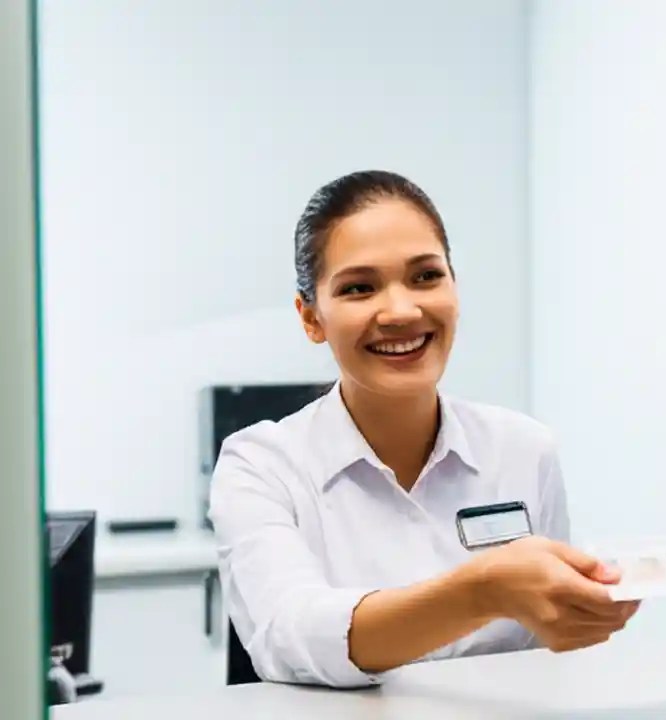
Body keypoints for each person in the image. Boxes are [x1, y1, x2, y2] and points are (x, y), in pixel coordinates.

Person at [209, 170, 637, 687]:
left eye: (425, 276)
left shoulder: (523, 449)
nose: (401, 310)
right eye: (359, 288)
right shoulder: (261, 465)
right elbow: (291, 634)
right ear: (311, 318)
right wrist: (482, 592)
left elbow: (545, 655)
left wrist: (582, 612)